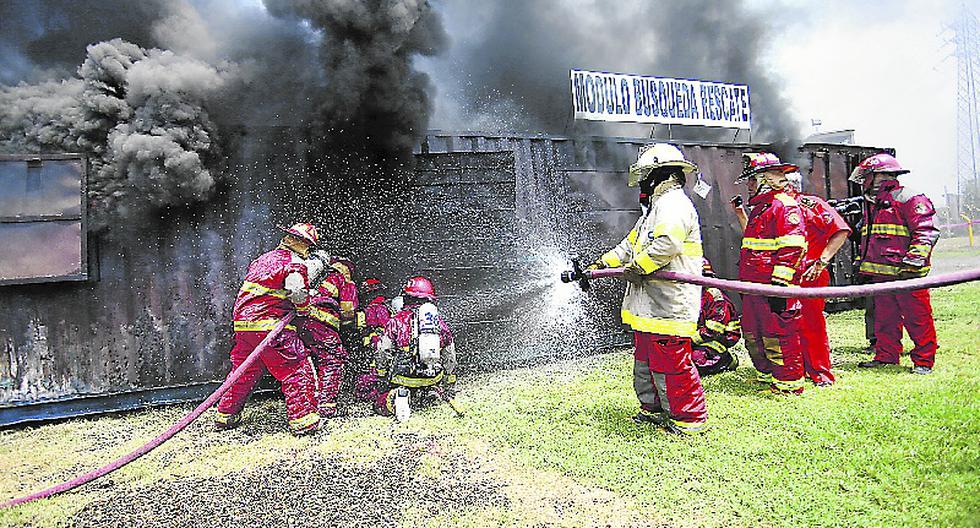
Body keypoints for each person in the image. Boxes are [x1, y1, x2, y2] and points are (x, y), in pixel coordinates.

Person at [590, 143, 707, 434]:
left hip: (669, 302)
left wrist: (638, 267)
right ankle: (653, 409)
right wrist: (603, 263)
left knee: (672, 364)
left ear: (659, 175)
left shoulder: (674, 204)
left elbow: (667, 245)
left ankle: (688, 419)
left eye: (645, 176)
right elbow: (630, 245)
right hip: (651, 305)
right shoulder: (655, 209)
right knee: (645, 361)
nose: (642, 183)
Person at [214, 223, 321, 435]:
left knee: (244, 372)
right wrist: (304, 308)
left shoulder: (263, 260)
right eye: (309, 247)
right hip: (269, 325)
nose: (308, 252)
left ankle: (226, 416)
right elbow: (297, 290)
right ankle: (304, 422)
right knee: (296, 367)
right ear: (302, 243)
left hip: (244, 326)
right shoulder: (294, 263)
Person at [850, 153, 940, 374]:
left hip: (906, 274)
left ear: (880, 176)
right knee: (884, 319)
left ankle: (923, 361)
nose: (864, 182)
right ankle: (886, 356)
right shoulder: (874, 203)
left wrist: (914, 262)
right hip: (881, 275)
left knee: (917, 319)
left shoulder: (909, 198)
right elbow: (870, 236)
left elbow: (926, 231)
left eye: (867, 176)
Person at [733, 153, 808, 395]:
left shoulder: (784, 206)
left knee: (780, 335)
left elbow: (793, 246)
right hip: (754, 287)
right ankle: (767, 376)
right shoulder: (760, 209)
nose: (749, 185)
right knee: (755, 334)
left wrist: (779, 285)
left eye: (752, 180)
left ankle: (789, 384)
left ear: (766, 179)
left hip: (773, 289)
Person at [355, 276, 457, 421]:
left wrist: (382, 374)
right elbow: (450, 355)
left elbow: (383, 351)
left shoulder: (396, 320)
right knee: (427, 386)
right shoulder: (438, 323)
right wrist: (449, 384)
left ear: (406, 298)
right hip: (433, 377)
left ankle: (397, 397)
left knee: (379, 402)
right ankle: (431, 392)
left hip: (404, 378)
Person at [785, 172, 852, 386]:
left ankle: (820, 372)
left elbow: (840, 230)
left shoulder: (811, 204)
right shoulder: (773, 207)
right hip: (780, 275)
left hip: (808, 274)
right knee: (784, 324)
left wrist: (822, 261)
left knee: (811, 323)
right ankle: (794, 369)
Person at [300, 256, 361, 418]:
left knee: (303, 363)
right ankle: (326, 407)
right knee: (332, 360)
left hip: (298, 320)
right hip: (320, 323)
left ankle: (305, 406)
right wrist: (348, 325)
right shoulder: (343, 278)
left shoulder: (317, 275)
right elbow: (348, 310)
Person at [692, 259, 741, 377]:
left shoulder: (715, 297)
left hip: (719, 339)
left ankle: (727, 361)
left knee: (696, 360)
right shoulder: (693, 295)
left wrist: (689, 341)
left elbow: (714, 330)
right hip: (697, 338)